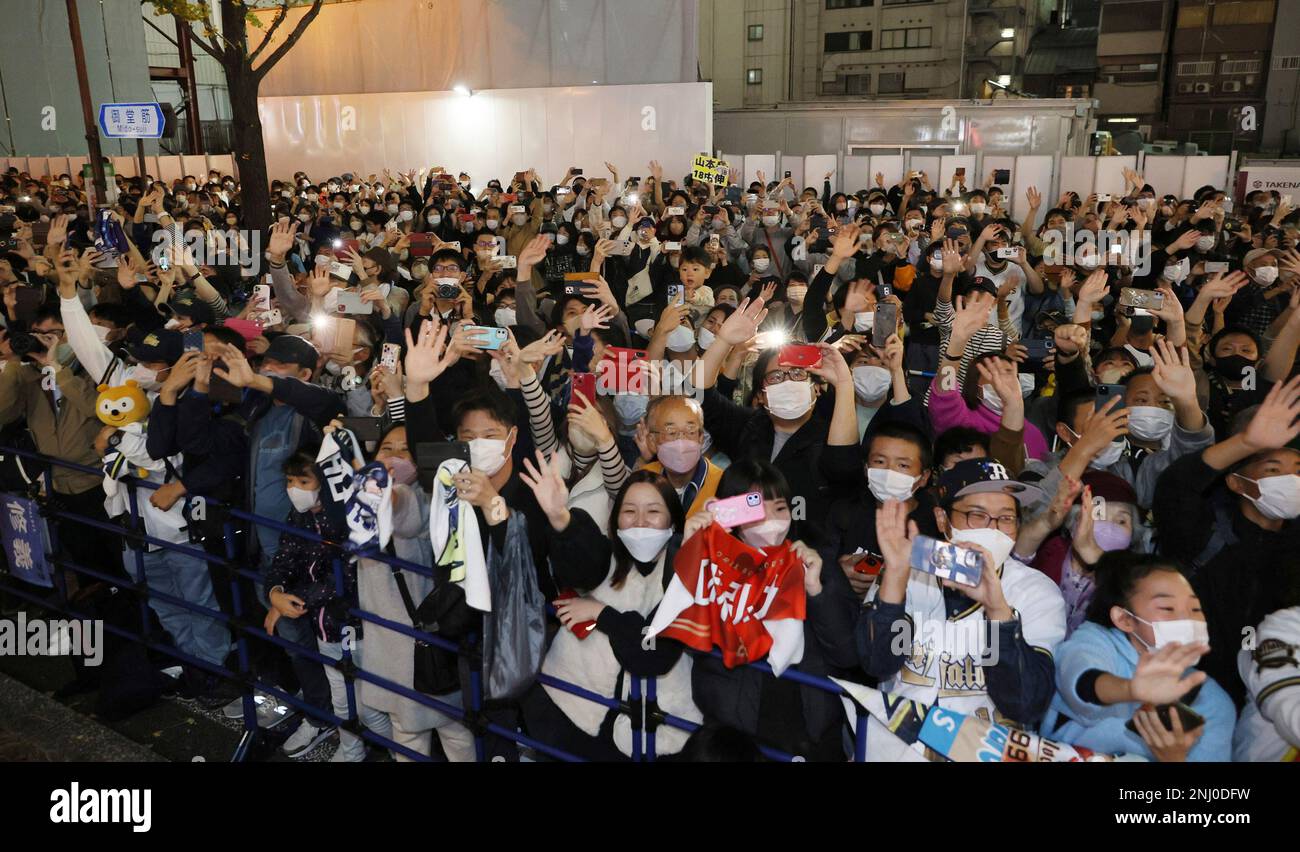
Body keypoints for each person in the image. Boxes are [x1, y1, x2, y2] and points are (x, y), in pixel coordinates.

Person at [861, 459, 1067, 727]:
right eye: (977, 515)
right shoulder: (907, 569)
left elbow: (1025, 705)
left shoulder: (1037, 591)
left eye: (1006, 518)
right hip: (897, 740)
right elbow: (876, 664)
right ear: (942, 519)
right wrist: (895, 579)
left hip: (986, 744)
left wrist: (998, 613)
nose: (992, 528)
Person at [517, 464, 702, 759]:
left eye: (653, 511)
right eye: (629, 511)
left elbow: (652, 651)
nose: (640, 522)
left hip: (657, 726)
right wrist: (560, 517)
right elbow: (581, 559)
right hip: (570, 708)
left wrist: (600, 613)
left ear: (673, 519)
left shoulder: (686, 572)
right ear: (616, 518)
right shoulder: (604, 557)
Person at [1043, 552, 1235, 761]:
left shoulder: (1213, 701)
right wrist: (1130, 689)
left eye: (1195, 608)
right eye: (1167, 608)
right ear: (1125, 619)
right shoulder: (1099, 641)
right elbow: (1080, 678)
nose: (1186, 618)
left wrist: (1173, 757)